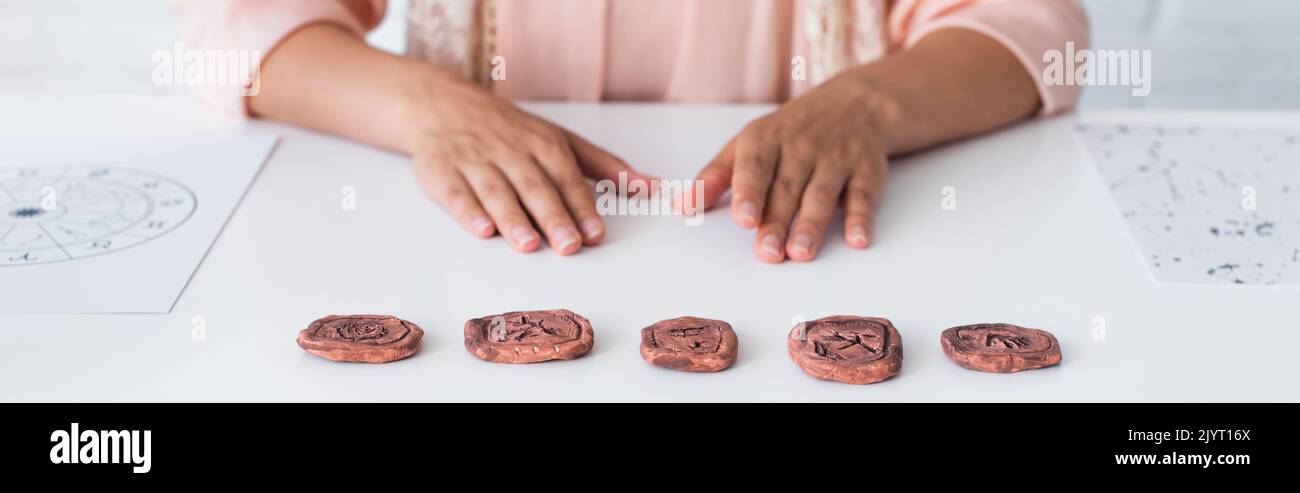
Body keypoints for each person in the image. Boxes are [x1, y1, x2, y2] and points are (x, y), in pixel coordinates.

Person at [174, 0, 1087, 262]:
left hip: (777, 261)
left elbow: (1040, 31)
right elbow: (229, 31)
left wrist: (868, 106)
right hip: (482, 255)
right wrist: (430, 109)